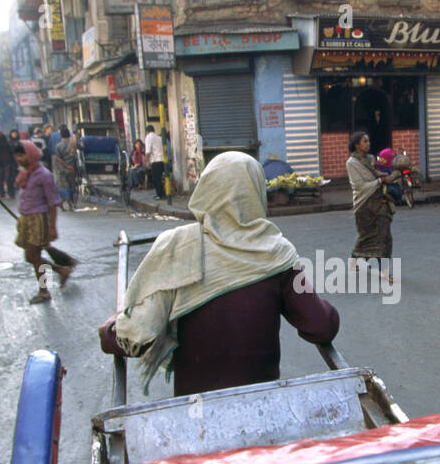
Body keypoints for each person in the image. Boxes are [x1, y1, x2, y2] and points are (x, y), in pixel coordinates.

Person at [98, 151, 340, 396]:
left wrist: (109, 331)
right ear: (256, 192)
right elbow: (321, 325)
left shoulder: (178, 246)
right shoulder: (276, 251)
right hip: (263, 405)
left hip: (195, 411)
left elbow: (138, 336)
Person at [14, 139, 73, 304]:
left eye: (22, 155)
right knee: (31, 257)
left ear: (31, 154)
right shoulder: (27, 173)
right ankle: (61, 270)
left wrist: (52, 228)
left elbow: (53, 203)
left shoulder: (44, 175)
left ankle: (44, 290)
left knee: (34, 256)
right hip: (26, 219)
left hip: (38, 220)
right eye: (17, 155)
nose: (19, 159)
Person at [346, 130, 398, 281]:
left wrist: (388, 175)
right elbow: (359, 186)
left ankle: (384, 271)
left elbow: (380, 173)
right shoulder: (352, 163)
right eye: (364, 141)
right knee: (366, 236)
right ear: (357, 145)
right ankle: (354, 257)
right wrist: (381, 181)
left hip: (380, 202)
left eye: (368, 141)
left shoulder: (372, 159)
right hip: (363, 203)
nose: (368, 144)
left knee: (384, 236)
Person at [53, 126, 79, 208]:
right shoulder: (73, 144)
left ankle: (65, 202)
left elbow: (58, 158)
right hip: (73, 168)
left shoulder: (58, 146)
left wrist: (66, 166)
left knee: (65, 186)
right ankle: (71, 203)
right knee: (72, 186)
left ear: (61, 136)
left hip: (63, 169)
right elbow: (81, 150)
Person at [144, 125, 166, 199]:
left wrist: (146, 162)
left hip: (155, 161)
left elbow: (148, 151)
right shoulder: (159, 138)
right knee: (159, 178)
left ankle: (160, 195)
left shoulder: (148, 137)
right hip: (162, 160)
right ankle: (161, 194)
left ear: (147, 131)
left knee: (156, 179)